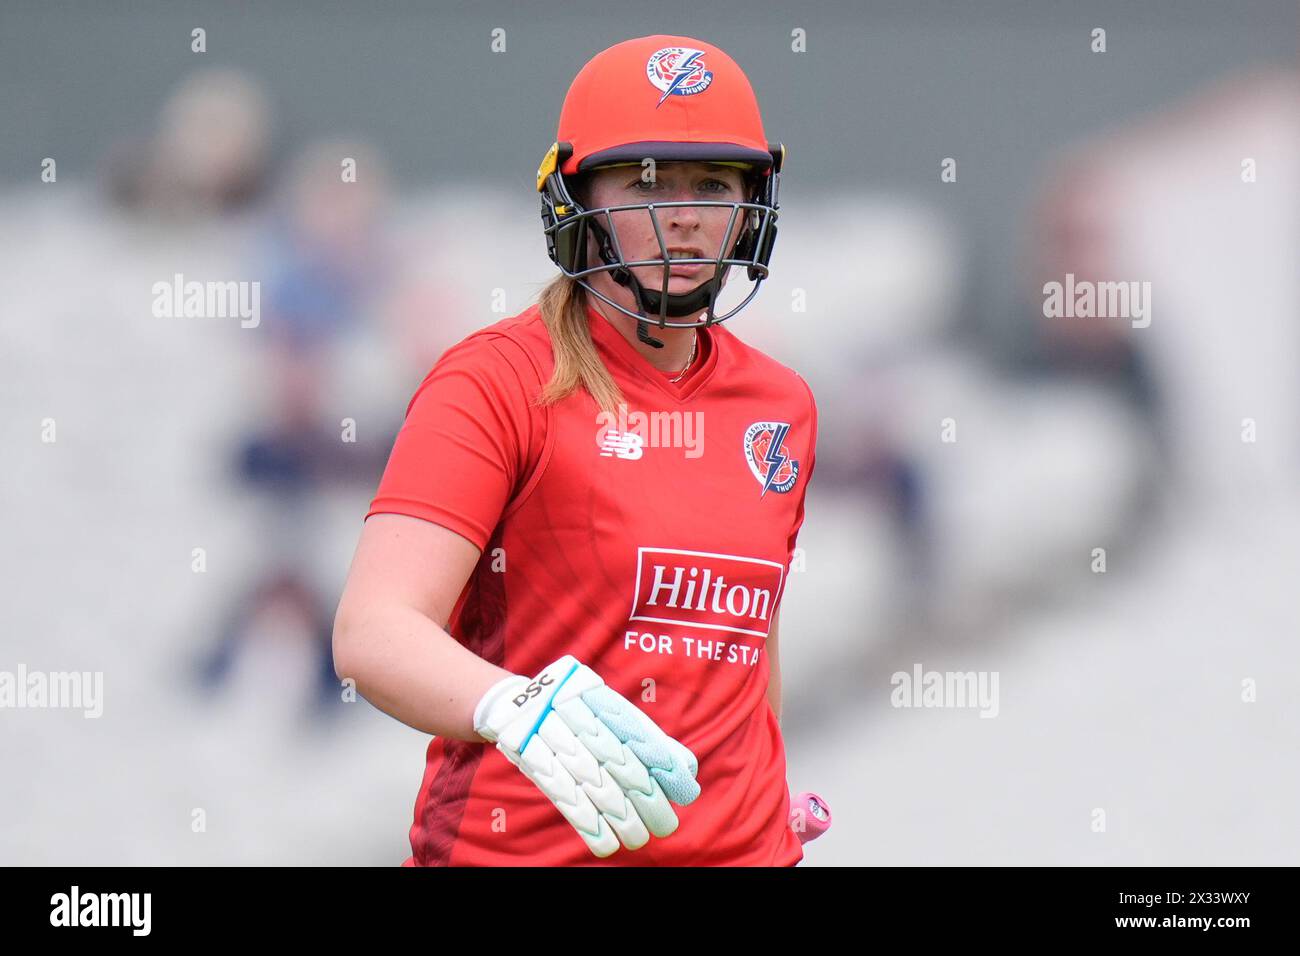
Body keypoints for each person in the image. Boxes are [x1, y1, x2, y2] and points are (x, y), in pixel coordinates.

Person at [333, 34, 818, 866]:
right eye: (648, 181)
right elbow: (372, 633)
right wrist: (510, 706)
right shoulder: (497, 381)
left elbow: (743, 644)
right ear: (576, 197)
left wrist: (761, 802)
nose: (688, 213)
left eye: (714, 182)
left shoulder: (782, 404)